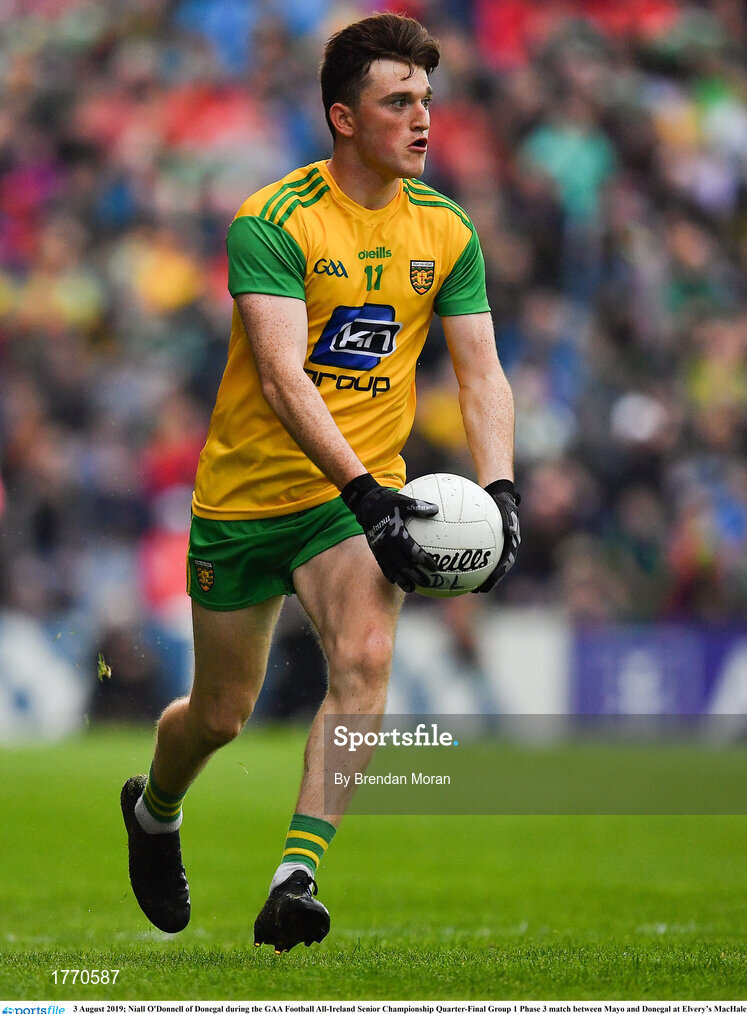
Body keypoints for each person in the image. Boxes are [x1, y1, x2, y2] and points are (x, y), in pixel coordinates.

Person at [121, 12, 520, 953]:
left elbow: (481, 375)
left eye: (426, 98)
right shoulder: (273, 221)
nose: (421, 119)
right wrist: (364, 493)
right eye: (397, 101)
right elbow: (280, 375)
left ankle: (296, 876)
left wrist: (499, 492)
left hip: (354, 499)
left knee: (366, 657)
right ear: (344, 117)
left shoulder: (447, 230)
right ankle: (155, 810)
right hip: (248, 498)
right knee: (219, 716)